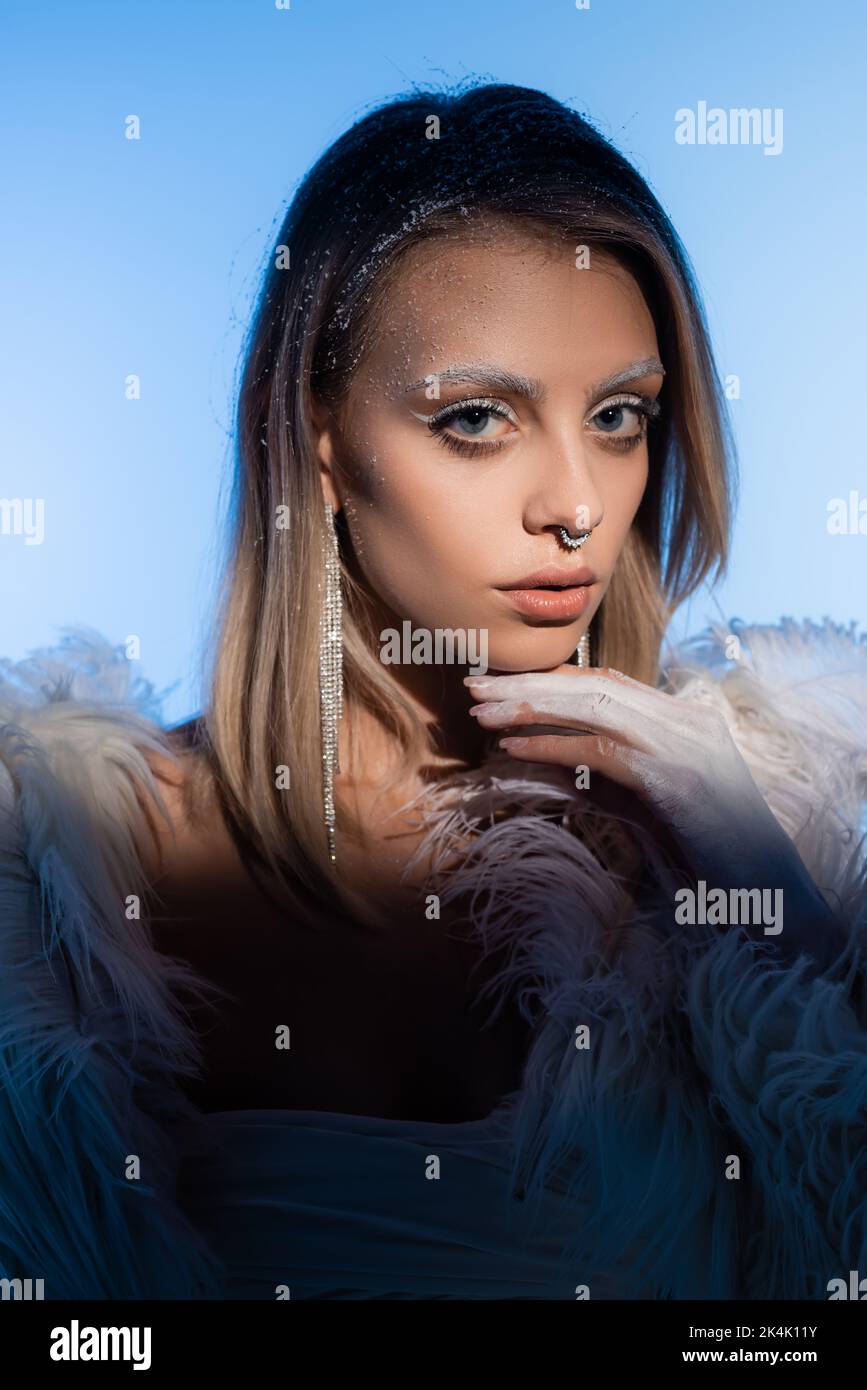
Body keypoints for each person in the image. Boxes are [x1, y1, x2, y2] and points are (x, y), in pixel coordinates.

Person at [2, 82, 866, 1301]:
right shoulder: (56, 877)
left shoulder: (775, 825)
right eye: (478, 419)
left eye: (619, 415)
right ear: (319, 446)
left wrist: (759, 876)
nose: (575, 502)